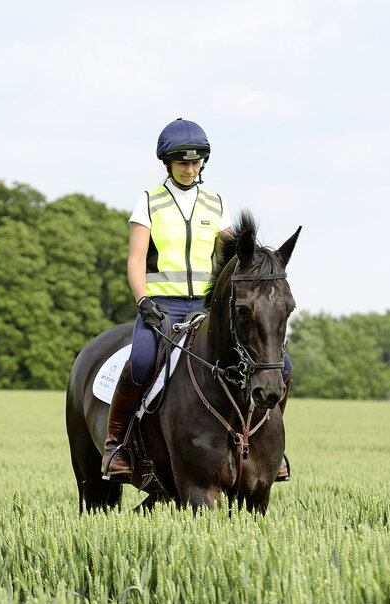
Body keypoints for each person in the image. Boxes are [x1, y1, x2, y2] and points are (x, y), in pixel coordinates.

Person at [102, 118, 292, 481]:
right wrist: (143, 301)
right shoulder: (149, 203)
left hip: (206, 308)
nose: (190, 169)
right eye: (182, 163)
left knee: (281, 364)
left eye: (196, 162)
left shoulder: (215, 204)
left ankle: (272, 449)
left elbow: (234, 257)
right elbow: (136, 260)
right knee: (141, 361)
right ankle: (117, 444)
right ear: (167, 163)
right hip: (162, 307)